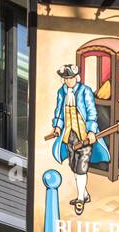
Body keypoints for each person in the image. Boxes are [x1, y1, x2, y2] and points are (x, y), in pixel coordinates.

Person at [47, 64, 110, 215]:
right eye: (65, 79)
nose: (68, 81)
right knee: (74, 165)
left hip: (83, 135)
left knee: (81, 166)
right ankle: (85, 194)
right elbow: (59, 112)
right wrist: (57, 127)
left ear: (76, 77)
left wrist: (91, 131)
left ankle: (80, 198)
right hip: (69, 135)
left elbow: (91, 112)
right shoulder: (61, 92)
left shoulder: (85, 91)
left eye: (70, 78)